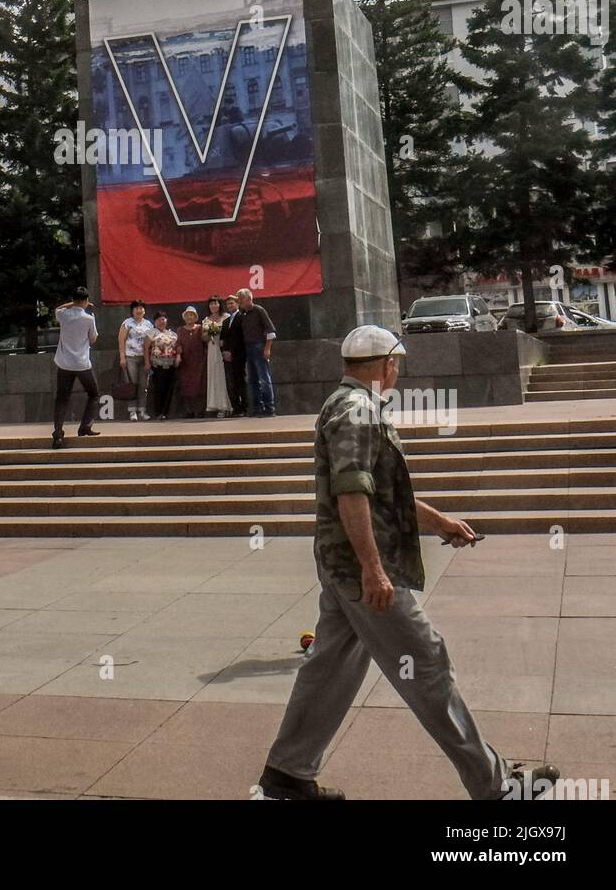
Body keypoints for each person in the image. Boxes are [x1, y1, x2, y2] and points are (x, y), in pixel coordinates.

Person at [257, 327, 559, 802]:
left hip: (343, 566)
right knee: (427, 663)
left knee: (330, 669)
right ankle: (495, 786)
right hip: (364, 570)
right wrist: (373, 569)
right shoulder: (357, 412)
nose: (399, 372)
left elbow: (378, 491)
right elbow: (351, 491)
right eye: (398, 364)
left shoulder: (349, 404)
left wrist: (439, 522)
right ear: (387, 364)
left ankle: (288, 774)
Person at [51, 286, 100, 449]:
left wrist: (71, 304)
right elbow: (93, 339)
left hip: (64, 363)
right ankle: (85, 426)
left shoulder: (63, 315)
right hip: (82, 363)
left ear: (73, 300)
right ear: (86, 301)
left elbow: (58, 309)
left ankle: (58, 433)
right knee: (94, 394)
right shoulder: (88, 319)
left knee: (62, 398)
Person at [237, 288, 276, 416]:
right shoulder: (243, 314)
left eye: (241, 300)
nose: (239, 303)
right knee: (253, 379)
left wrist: (267, 348)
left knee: (264, 378)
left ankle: (269, 408)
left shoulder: (259, 310)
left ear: (249, 299)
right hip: (248, 347)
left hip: (259, 346)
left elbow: (270, 331)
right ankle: (257, 408)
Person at [117, 299, 154, 422]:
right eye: (136, 308)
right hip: (131, 357)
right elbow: (121, 340)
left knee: (144, 385)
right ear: (132, 310)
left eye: (141, 308)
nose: (139, 310)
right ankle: (132, 411)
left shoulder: (149, 324)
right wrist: (122, 357)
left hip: (144, 358)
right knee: (132, 384)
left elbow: (153, 341)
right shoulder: (127, 323)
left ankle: (142, 410)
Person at [145, 311, 178, 420]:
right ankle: (158, 412)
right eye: (159, 319)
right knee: (159, 389)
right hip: (157, 365)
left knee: (169, 390)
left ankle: (166, 412)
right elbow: (146, 348)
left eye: (163, 319)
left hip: (170, 365)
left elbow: (177, 347)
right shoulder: (151, 333)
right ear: (154, 322)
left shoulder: (172, 334)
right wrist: (147, 363)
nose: (161, 321)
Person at [202, 296, 231, 418]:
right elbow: (204, 338)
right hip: (212, 350)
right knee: (214, 376)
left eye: (216, 303)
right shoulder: (206, 320)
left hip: (224, 349)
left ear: (220, 305)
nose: (213, 306)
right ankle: (216, 405)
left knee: (224, 376)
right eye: (211, 304)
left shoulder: (227, 317)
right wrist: (210, 332)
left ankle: (227, 406)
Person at [176, 306, 207, 417]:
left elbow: (205, 340)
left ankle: (200, 410)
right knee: (186, 386)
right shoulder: (180, 330)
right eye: (187, 315)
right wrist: (178, 355)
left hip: (199, 361)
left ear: (195, 317)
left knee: (200, 385)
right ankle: (189, 410)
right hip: (186, 362)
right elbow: (178, 344)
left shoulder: (200, 328)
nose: (189, 317)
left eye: (191, 315)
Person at [220, 293, 247, 416]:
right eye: (228, 304)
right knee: (230, 383)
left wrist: (232, 351)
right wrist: (224, 352)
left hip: (239, 355)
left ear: (237, 304)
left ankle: (244, 407)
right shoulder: (225, 321)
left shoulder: (242, 317)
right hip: (226, 356)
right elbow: (223, 339)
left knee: (240, 381)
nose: (229, 305)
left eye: (232, 303)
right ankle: (236, 407)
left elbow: (240, 337)